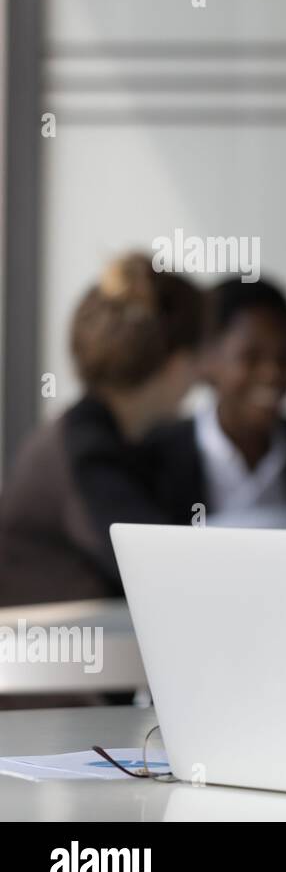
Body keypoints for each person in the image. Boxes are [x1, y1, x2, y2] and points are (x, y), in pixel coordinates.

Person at [0, 252, 202, 606]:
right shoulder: (85, 450)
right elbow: (160, 569)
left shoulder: (97, 438)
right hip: (48, 656)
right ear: (177, 365)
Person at [147, 276, 286, 568]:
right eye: (251, 357)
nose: (273, 373)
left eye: (284, 356)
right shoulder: (159, 457)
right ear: (207, 360)